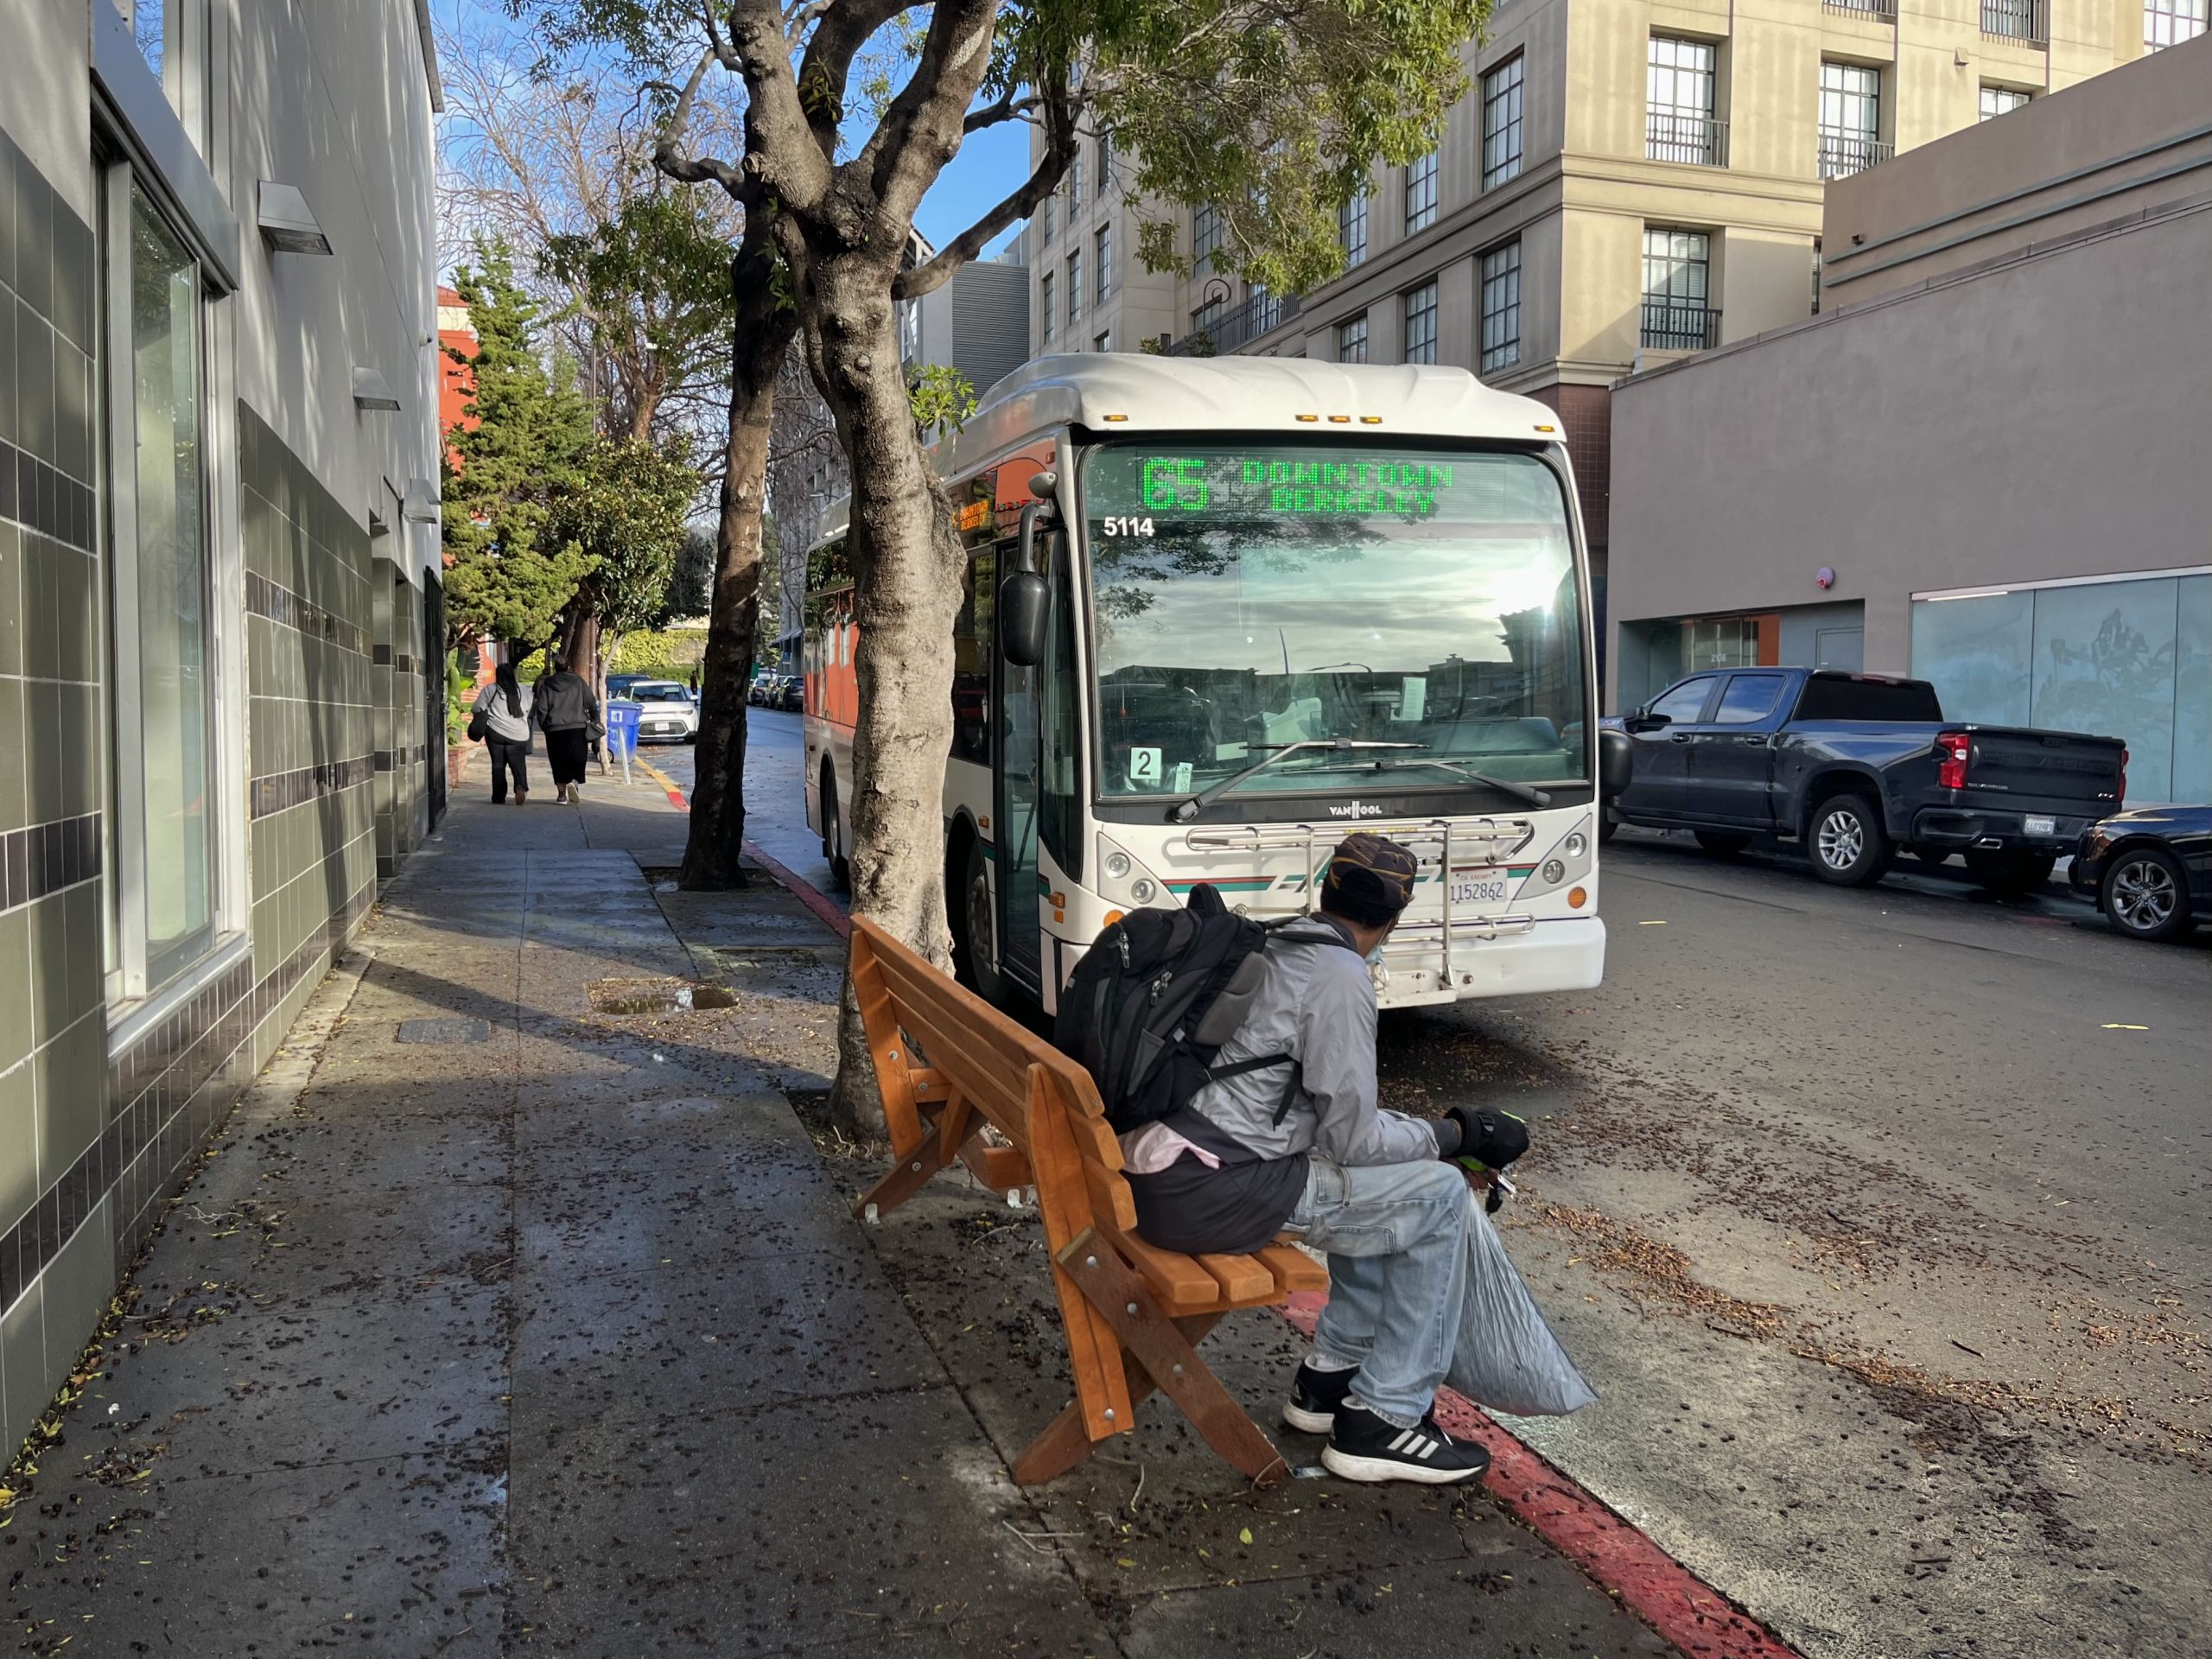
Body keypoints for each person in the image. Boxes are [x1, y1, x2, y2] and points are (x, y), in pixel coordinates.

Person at [1119, 833, 1527, 1486]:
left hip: (1163, 1169)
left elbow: (1335, 1127)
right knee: (1439, 1196)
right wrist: (1456, 1136)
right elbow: (1354, 1142)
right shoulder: (1340, 978)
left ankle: (1330, 1377)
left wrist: (1433, 1136)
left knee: (1390, 1182)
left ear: (1324, 891)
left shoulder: (1278, 943)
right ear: (1396, 915)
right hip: (1213, 1192)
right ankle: (1384, 1419)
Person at [531, 652, 601, 804]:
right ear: (568, 666)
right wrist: (595, 719)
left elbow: (541, 708)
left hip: (554, 728)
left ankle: (562, 794)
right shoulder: (578, 682)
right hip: (577, 726)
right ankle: (574, 782)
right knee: (577, 757)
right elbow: (591, 702)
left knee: (558, 760)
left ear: (555, 668)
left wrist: (545, 726)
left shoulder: (547, 684)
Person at [472, 662, 534, 804]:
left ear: (497, 675)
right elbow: (530, 709)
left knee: (498, 764)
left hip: (495, 733)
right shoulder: (524, 691)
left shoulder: (490, 690)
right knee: (518, 763)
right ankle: (520, 787)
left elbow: (477, 708)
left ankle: (499, 796)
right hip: (519, 734)